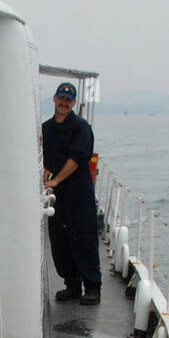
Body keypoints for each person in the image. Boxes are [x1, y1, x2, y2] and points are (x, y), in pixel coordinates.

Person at [43, 82, 102, 304]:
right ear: (55, 98)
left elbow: (77, 158)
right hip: (57, 196)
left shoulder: (82, 128)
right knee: (59, 240)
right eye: (61, 98)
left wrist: (56, 179)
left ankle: (93, 287)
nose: (64, 102)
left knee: (83, 238)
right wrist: (46, 173)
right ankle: (72, 284)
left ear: (74, 102)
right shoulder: (45, 129)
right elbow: (43, 156)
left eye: (68, 99)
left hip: (78, 193)